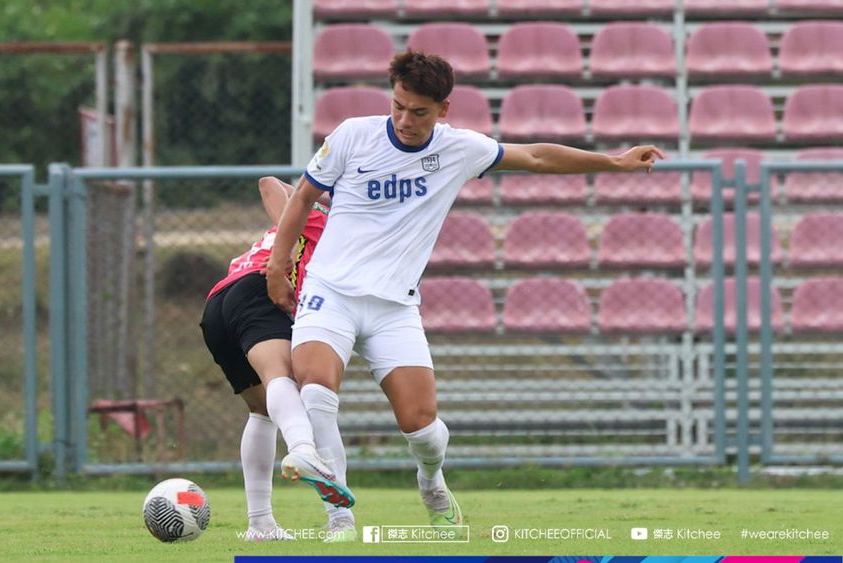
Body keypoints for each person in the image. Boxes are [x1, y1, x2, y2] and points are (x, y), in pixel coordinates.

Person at [266, 50, 665, 539]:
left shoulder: (459, 150)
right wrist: (277, 264)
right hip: (331, 291)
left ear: (443, 110)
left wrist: (614, 161)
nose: (405, 120)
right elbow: (303, 196)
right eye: (398, 106)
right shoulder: (352, 135)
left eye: (419, 112)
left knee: (422, 429)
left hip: (394, 306)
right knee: (316, 390)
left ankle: (432, 483)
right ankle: (340, 519)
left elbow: (535, 156)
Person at [199, 176, 355, 542]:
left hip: (218, 304)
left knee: (262, 410)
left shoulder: (329, 232)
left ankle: (260, 524)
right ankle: (303, 449)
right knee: (282, 378)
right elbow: (269, 183)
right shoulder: (321, 221)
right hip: (256, 290)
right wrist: (290, 238)